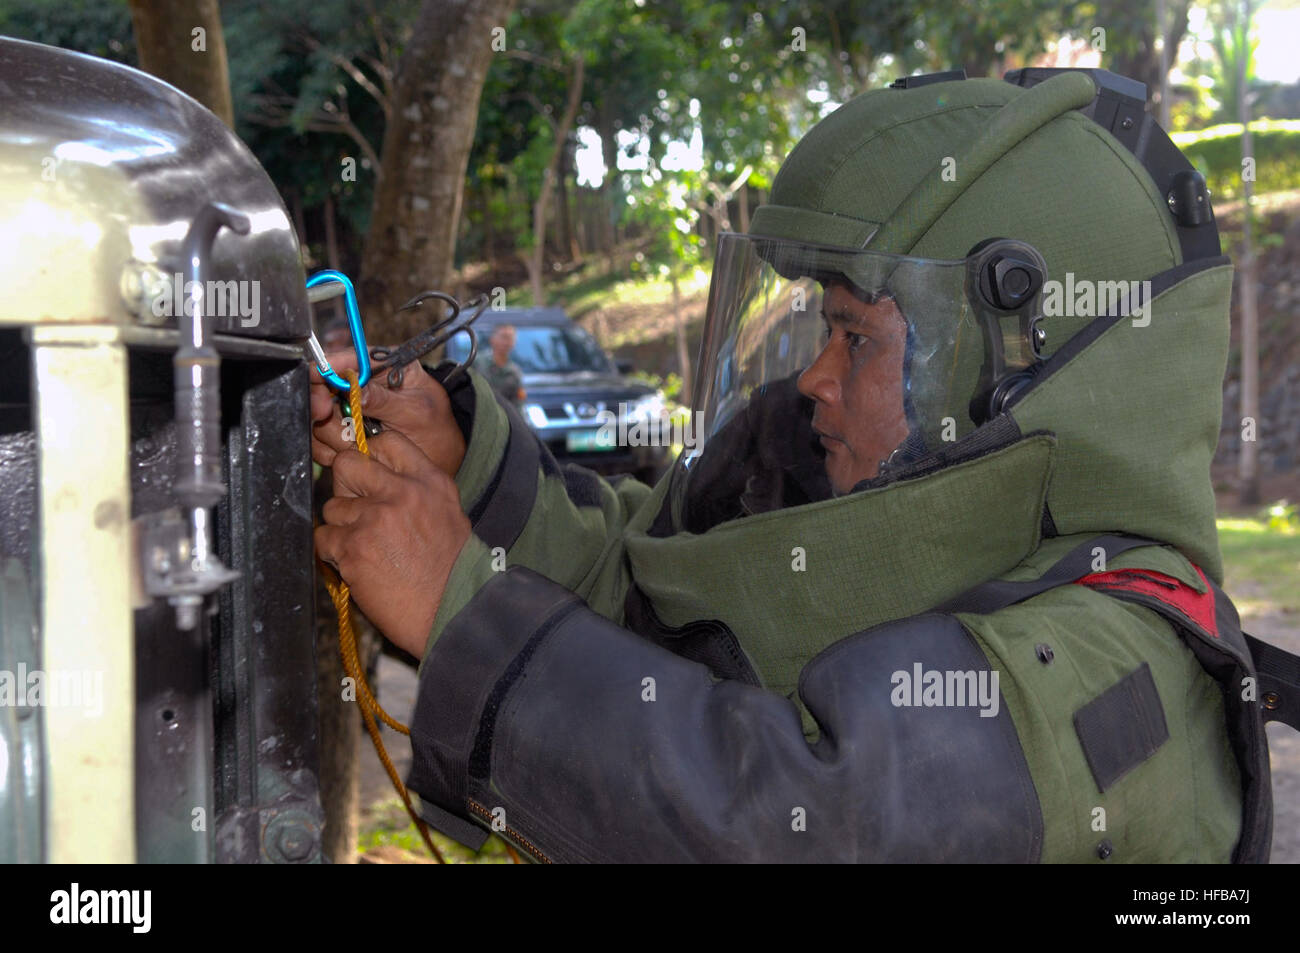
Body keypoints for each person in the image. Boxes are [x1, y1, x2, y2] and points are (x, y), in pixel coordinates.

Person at [311, 69, 1280, 862]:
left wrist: (469, 612)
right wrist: (460, 471)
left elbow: (802, 819)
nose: (815, 378)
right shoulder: (891, 551)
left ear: (1007, 362)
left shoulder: (1125, 655)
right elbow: (650, 609)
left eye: (857, 337)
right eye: (823, 330)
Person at [475, 324, 526, 408]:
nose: (507, 342)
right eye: (504, 337)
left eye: (510, 338)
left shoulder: (515, 371)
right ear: (492, 339)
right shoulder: (478, 362)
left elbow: (519, 402)